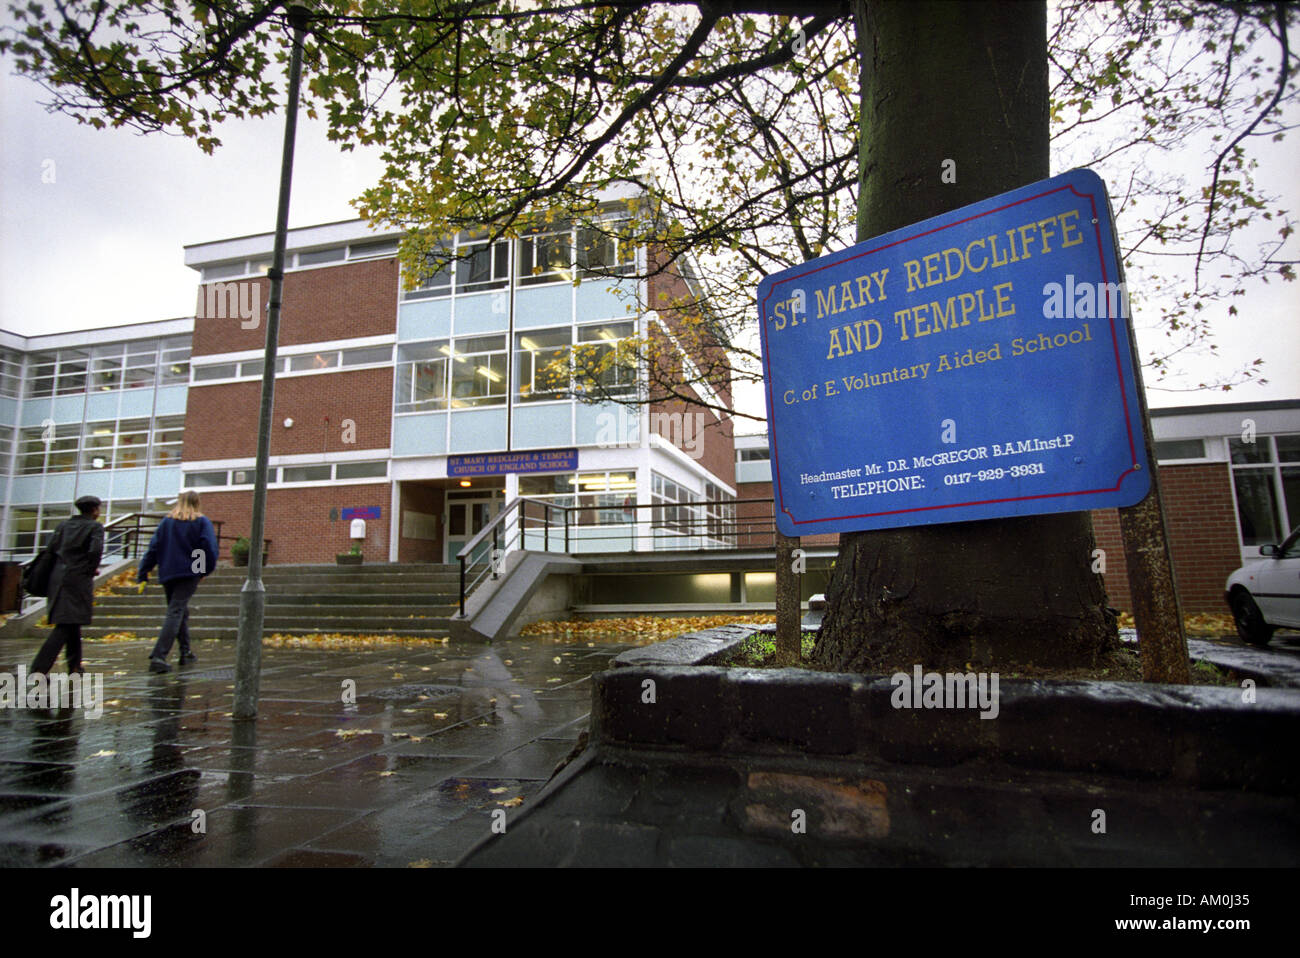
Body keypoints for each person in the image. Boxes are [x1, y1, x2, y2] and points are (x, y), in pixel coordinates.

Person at [137, 491, 219, 674]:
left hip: (168, 572)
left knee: (179, 610)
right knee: (175, 611)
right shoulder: (201, 521)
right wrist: (202, 570)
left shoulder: (167, 522)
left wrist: (143, 572)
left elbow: (153, 548)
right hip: (188, 573)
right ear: (198, 502)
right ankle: (159, 656)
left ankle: (185, 651)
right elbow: (207, 547)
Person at [30, 495, 104, 675]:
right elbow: (95, 551)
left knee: (72, 621)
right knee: (65, 625)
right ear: (95, 509)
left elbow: (51, 550)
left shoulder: (63, 526)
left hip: (58, 578)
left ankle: (75, 666)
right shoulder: (94, 527)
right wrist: (90, 569)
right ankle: (39, 669)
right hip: (77, 579)